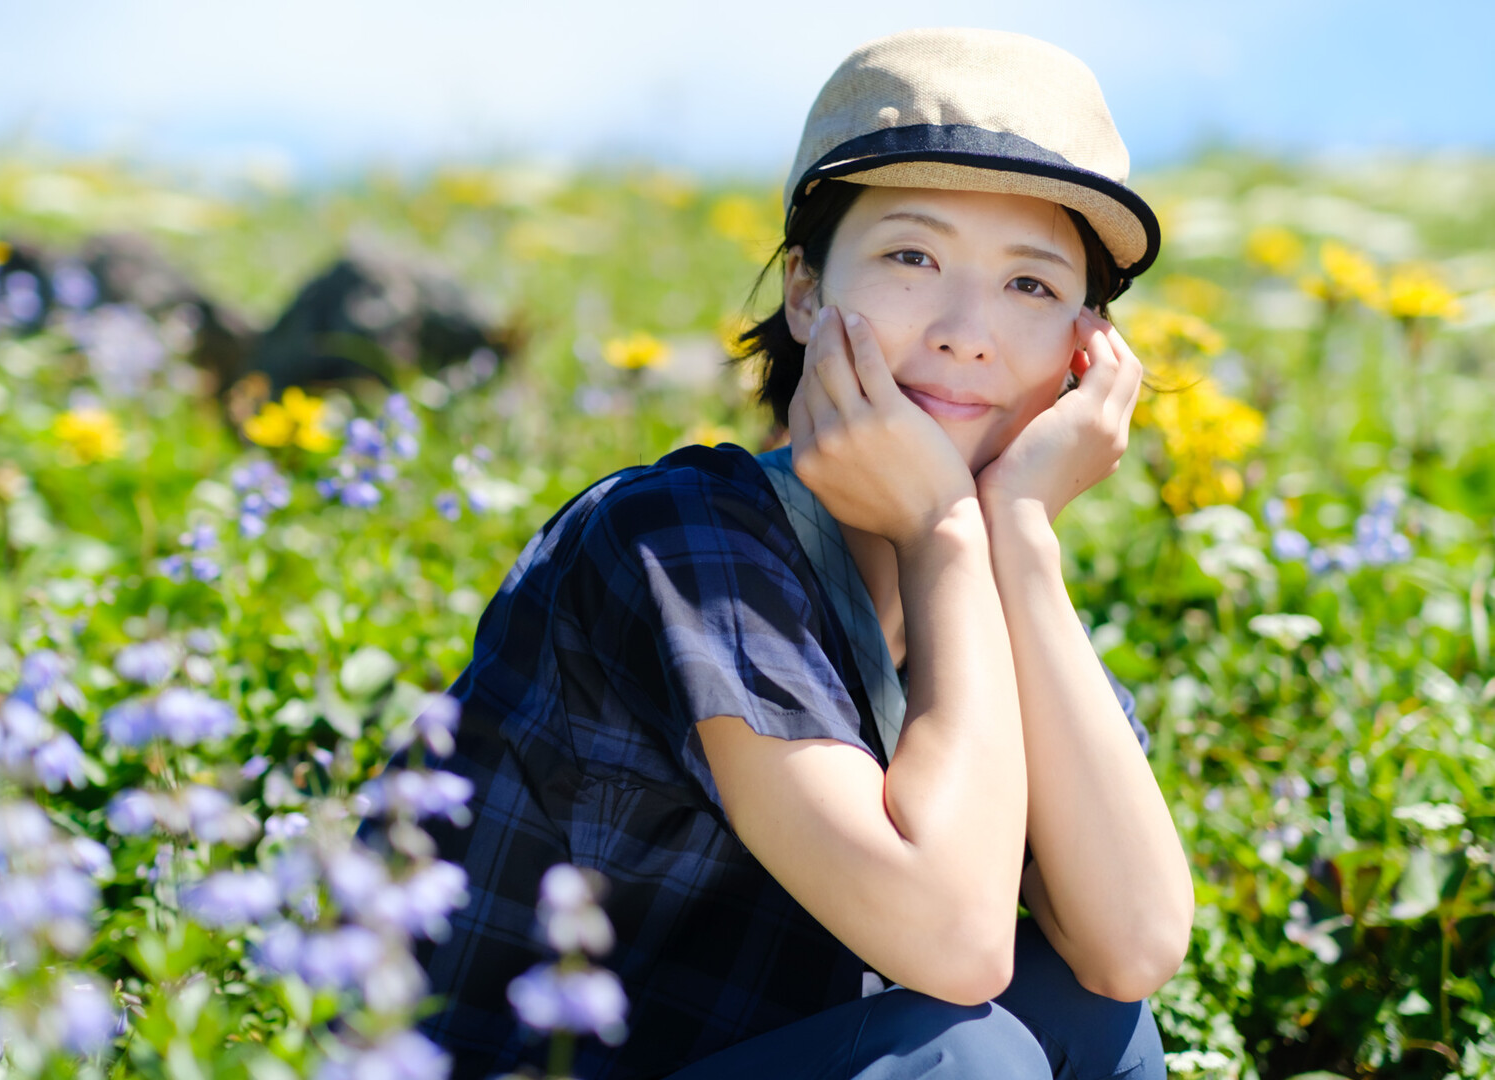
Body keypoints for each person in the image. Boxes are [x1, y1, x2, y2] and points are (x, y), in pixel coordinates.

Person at [388, 27, 1194, 1080]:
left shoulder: (989, 592)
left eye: (1031, 286)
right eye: (912, 256)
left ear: (1089, 356)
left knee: (1090, 1018)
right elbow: (955, 943)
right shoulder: (679, 537)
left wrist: (1021, 538)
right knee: (969, 1058)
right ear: (806, 292)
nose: (966, 330)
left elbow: (1132, 948)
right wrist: (946, 527)